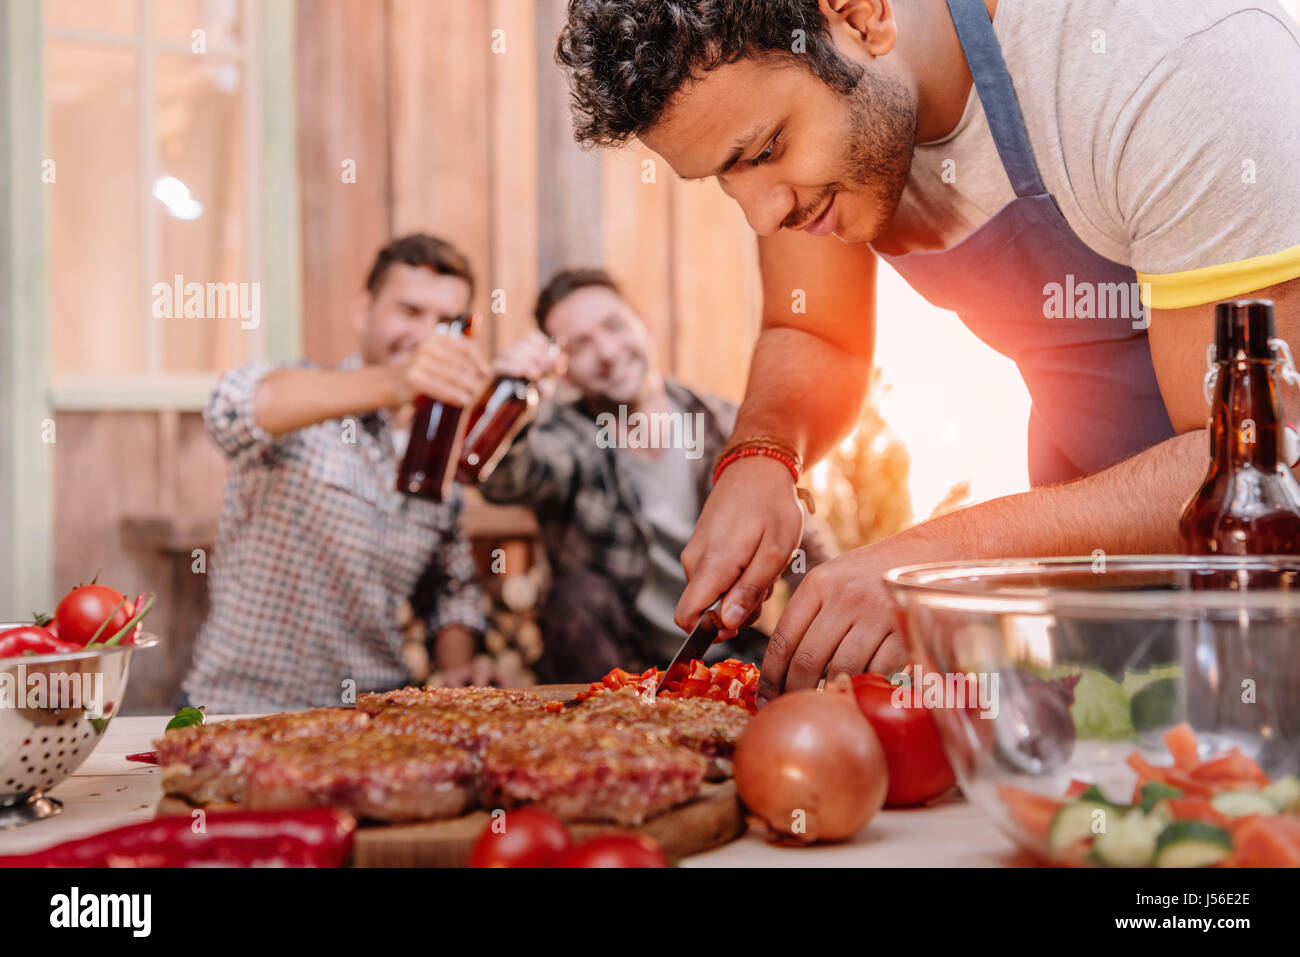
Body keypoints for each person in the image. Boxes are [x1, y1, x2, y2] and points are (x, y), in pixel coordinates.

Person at [555, 0, 1300, 704]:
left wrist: (932, 565)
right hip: (1092, 558)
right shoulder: (834, 119)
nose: (761, 212)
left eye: (766, 151)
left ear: (860, 15)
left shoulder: (1168, 64)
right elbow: (813, 331)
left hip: (1269, 572)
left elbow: (1247, 463)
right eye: (725, 175)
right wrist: (762, 454)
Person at [478, 267, 837, 683]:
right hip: (615, 666)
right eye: (580, 346)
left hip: (723, 655)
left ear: (644, 327)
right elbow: (504, 478)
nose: (608, 352)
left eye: (613, 326)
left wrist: (836, 627)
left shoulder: (727, 426)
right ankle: (602, 740)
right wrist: (506, 402)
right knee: (574, 597)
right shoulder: (568, 437)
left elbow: (801, 543)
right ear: (563, 369)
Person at [183, 234, 494, 712]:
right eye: (409, 312)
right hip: (246, 707)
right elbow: (231, 408)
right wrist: (397, 383)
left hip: (373, 713)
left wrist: (458, 665)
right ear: (362, 312)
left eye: (447, 324)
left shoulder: (440, 457)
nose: (428, 338)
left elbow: (450, 590)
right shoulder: (308, 406)